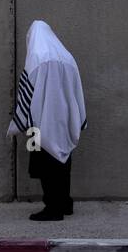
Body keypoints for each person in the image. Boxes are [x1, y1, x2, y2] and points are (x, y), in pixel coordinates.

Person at [7, 20, 87, 221]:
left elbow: (27, 89)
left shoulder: (37, 56)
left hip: (40, 122)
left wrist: (19, 121)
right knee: (63, 159)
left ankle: (53, 208)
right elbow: (78, 90)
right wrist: (79, 119)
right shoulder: (68, 58)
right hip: (65, 121)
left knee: (43, 163)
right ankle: (65, 202)